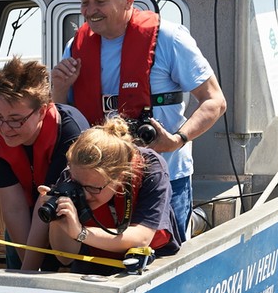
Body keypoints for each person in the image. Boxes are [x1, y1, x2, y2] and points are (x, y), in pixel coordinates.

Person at [50, 0, 226, 241]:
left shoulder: (169, 39)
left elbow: (214, 101)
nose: (90, 10)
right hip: (96, 187)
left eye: (99, 0)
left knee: (165, 259)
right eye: (84, 1)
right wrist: (58, 88)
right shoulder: (75, 47)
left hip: (163, 178)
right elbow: (64, 115)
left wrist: (177, 139)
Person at [0, 56, 89, 270]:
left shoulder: (69, 132)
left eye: (15, 119)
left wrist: (29, 271)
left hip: (67, 217)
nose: (5, 127)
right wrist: (26, 271)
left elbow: (47, 198)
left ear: (41, 111)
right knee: (19, 261)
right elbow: (13, 206)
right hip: (23, 215)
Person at [40, 118, 181, 275]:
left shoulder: (151, 168)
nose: (85, 195)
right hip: (96, 265)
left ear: (120, 177)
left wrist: (80, 233)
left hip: (149, 262)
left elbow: (142, 238)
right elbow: (65, 257)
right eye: (78, 185)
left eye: (93, 188)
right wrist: (57, 219)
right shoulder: (70, 178)